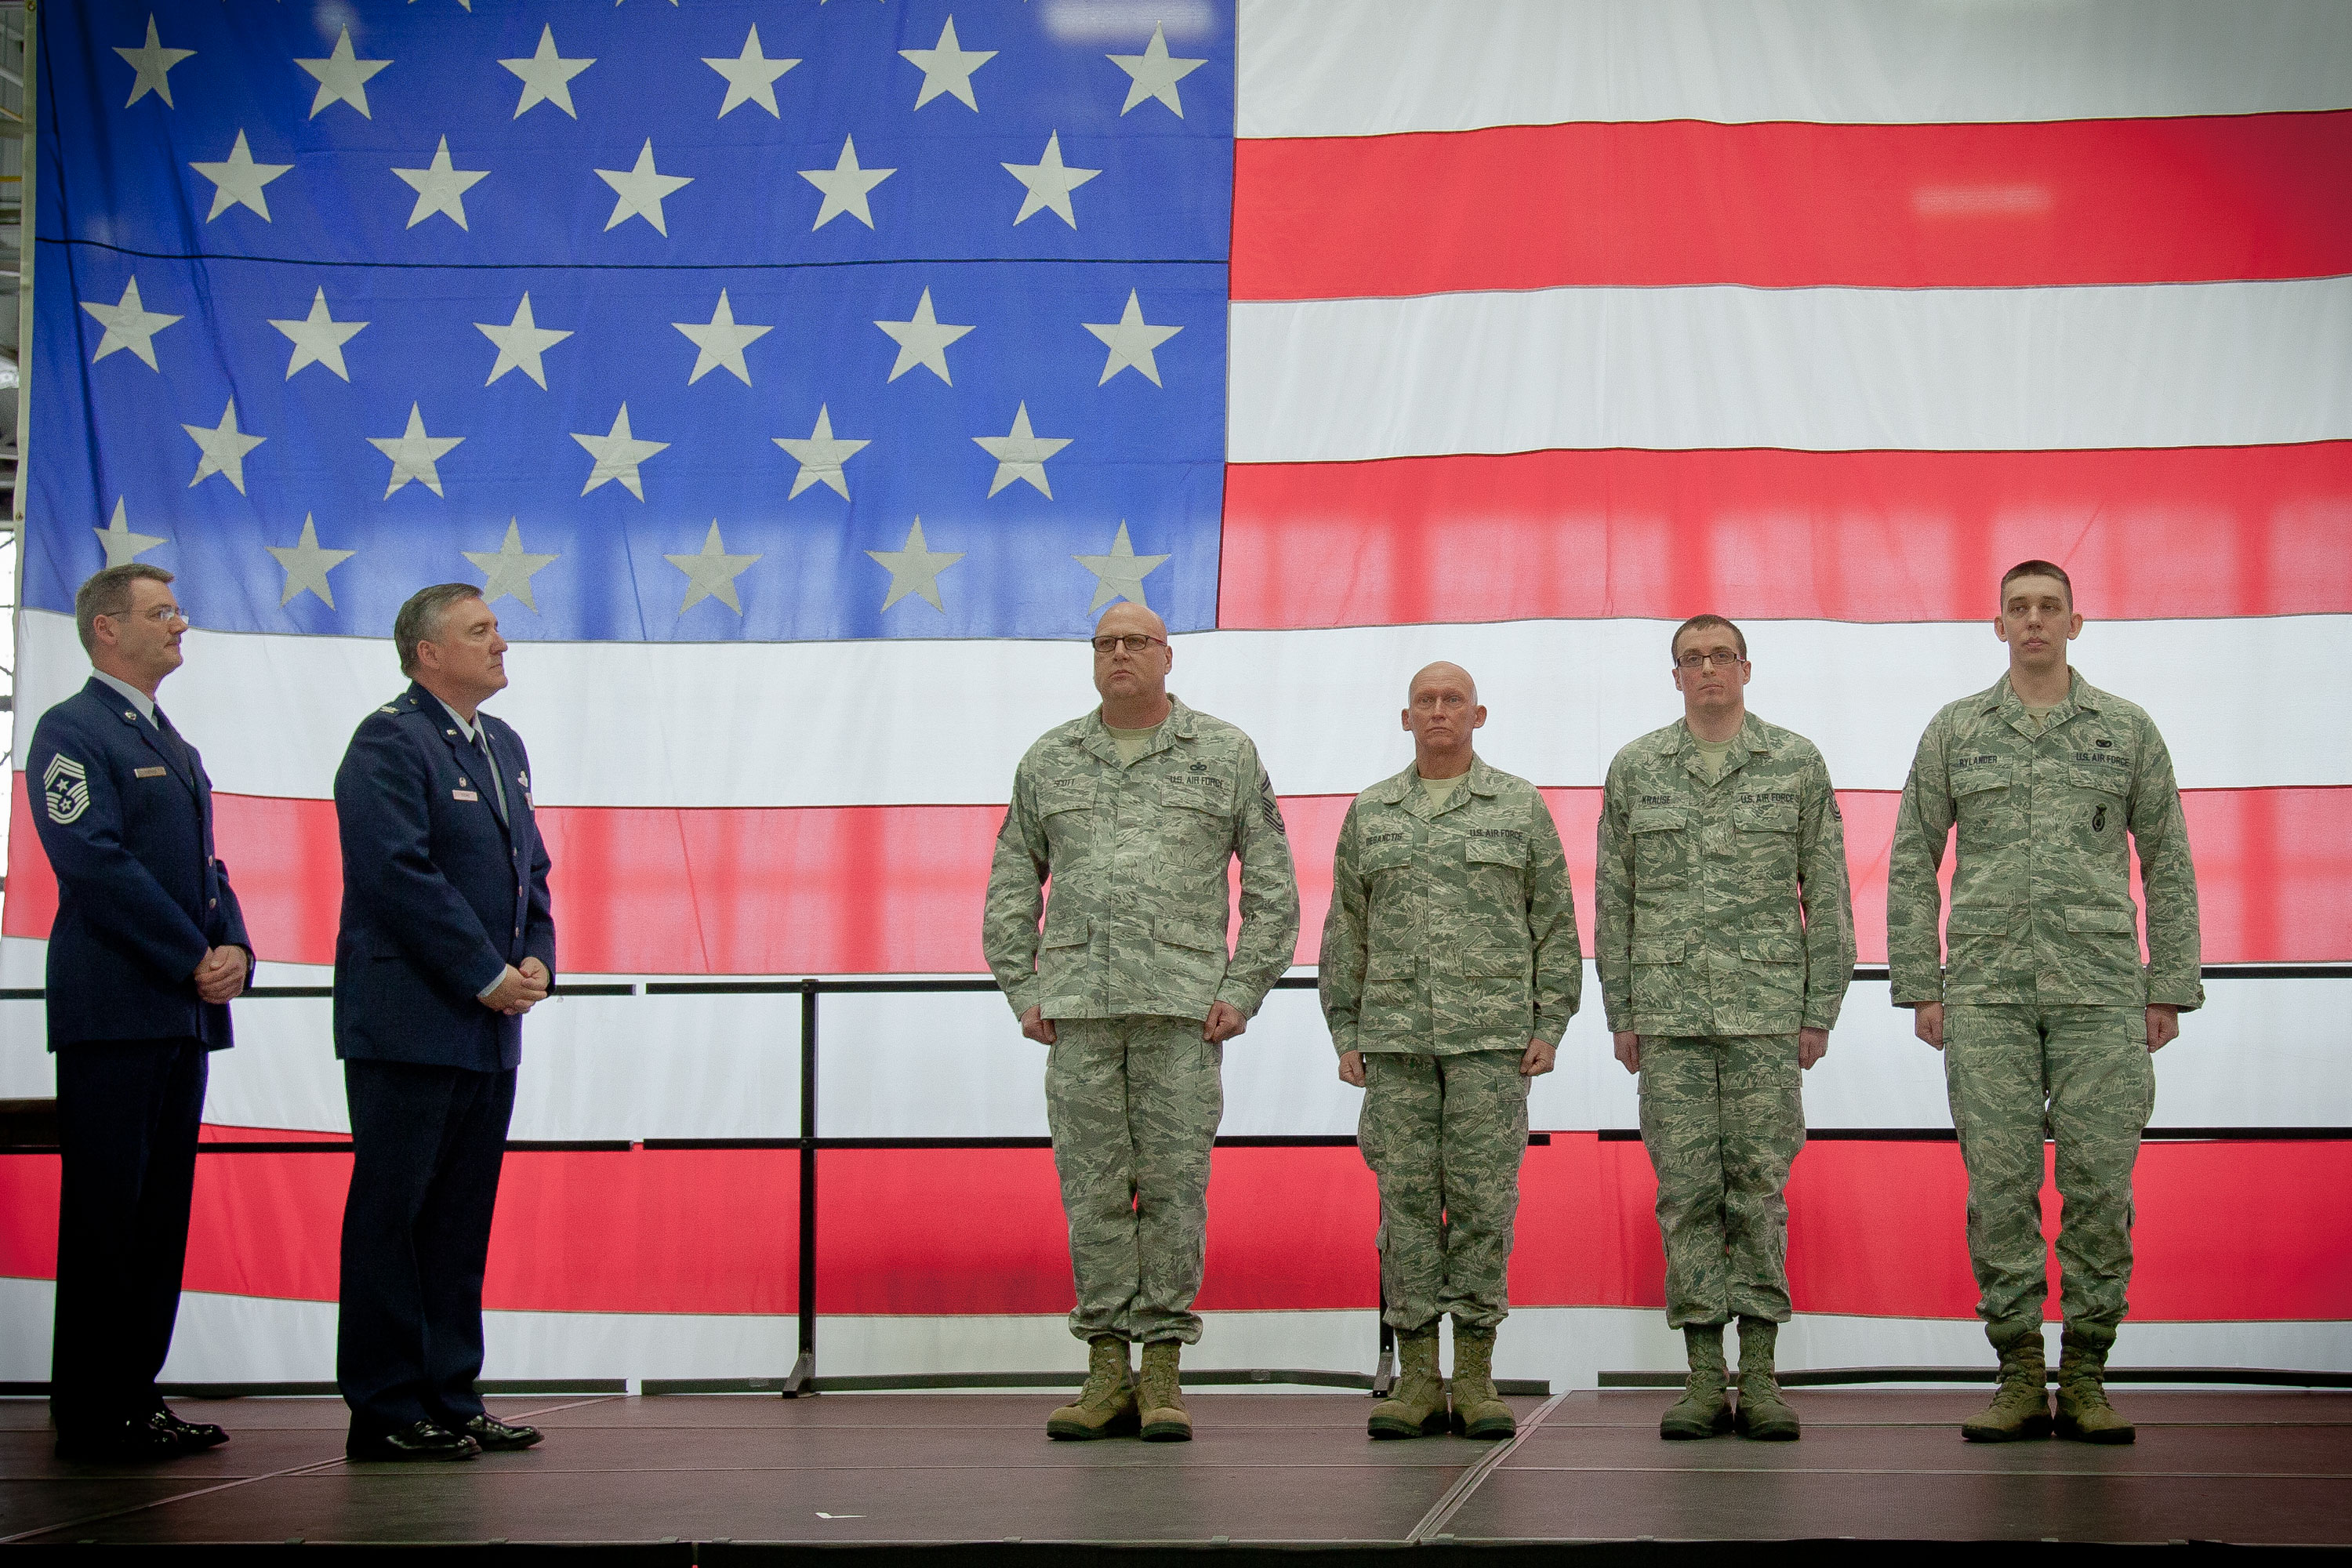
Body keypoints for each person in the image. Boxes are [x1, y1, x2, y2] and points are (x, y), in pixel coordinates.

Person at [1889, 561, 2199, 1446]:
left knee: (2101, 1182)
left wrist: (2169, 983)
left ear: (2076, 622)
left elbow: (2167, 855)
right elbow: (1913, 855)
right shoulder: (1957, 730)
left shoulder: (2126, 730)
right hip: (1985, 989)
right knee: (1999, 1186)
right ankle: (2021, 1370)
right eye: (2018, 608)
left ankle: (2091, 1371)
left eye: (2048, 607)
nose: (2033, 621)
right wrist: (1920, 982)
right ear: (1998, 626)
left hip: (2102, 989)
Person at [982, 603, 1299, 1442]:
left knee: (1172, 1193)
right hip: (1080, 1013)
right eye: (1106, 643)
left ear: (1168, 656)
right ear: (1094, 658)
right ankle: (1103, 1371)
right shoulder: (1050, 759)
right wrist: (1023, 986)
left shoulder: (1224, 753)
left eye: (1137, 642)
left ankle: (1162, 1371)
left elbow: (1273, 883)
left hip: (1182, 1014)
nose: (1120, 654)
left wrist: (1244, 984)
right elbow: (1013, 882)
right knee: (1092, 1195)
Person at [1596, 615, 1853, 1443]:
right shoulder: (1637, 768)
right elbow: (1613, 901)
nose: (1707, 669)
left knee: (1760, 1192)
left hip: (1766, 1016)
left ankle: (1765, 1374)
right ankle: (1705, 1375)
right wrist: (1622, 1013)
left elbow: (1831, 894)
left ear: (1746, 668)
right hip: (1669, 1019)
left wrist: (1819, 1009)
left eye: (1720, 656)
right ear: (1675, 675)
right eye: (1691, 658)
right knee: (1687, 1194)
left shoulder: (1795, 762)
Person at [1320, 662, 1578, 1442]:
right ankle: (1416, 1378)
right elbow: (1346, 929)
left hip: (1490, 1044)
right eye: (1426, 701)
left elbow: (1555, 922)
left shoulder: (1519, 805)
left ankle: (1474, 1374)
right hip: (1395, 1045)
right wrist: (1345, 1027)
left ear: (1479, 714)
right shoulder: (1372, 811)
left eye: (1453, 700)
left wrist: (1550, 1021)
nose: (1439, 711)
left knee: (1481, 1207)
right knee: (1403, 1212)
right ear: (1407, 718)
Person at [28, 564, 251, 1461]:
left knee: (160, 1216)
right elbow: (95, 862)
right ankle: (89, 1407)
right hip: (115, 1011)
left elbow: (206, 869)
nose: (180, 622)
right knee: (106, 1215)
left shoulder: (170, 739)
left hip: (177, 1014)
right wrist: (189, 954)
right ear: (105, 629)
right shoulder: (71, 731)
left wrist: (234, 944)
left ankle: (134, 1394)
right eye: (161, 612)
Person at [332, 585, 555, 1462]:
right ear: (429, 652)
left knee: (461, 1218)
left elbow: (530, 867)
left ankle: (451, 1393)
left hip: (488, 1023)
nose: (501, 641)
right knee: (397, 1215)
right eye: (480, 630)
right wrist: (484, 971)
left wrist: (536, 957)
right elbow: (397, 874)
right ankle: (386, 1404)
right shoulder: (389, 740)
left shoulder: (500, 744)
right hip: (408, 1021)